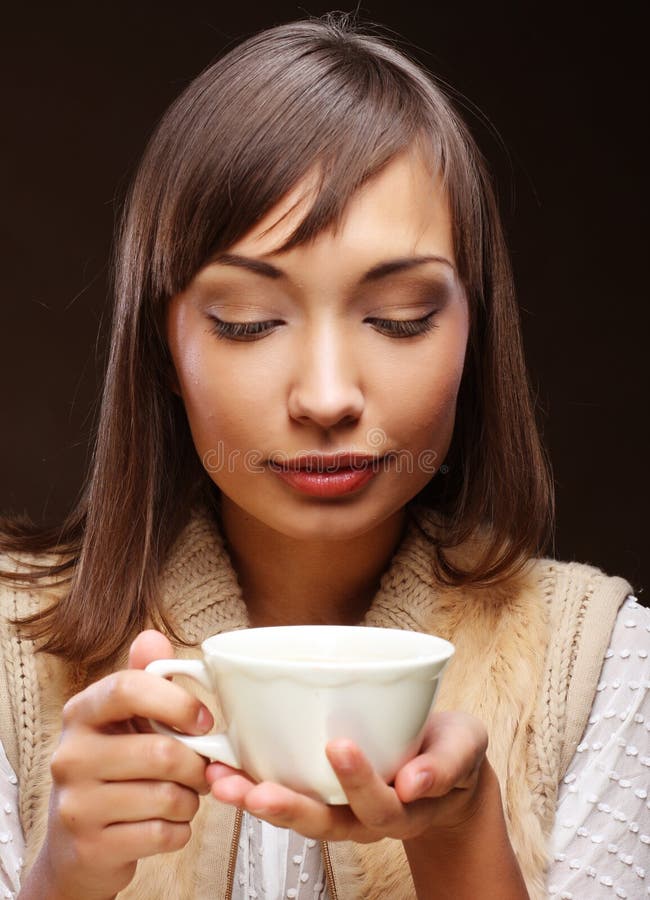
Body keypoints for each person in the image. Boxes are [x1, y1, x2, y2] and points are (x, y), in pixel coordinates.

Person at [0, 12, 647, 900]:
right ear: (165, 345)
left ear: (476, 330)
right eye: (249, 323)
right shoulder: (11, 651)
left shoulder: (601, 656)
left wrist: (461, 840)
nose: (328, 395)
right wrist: (61, 880)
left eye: (399, 318)